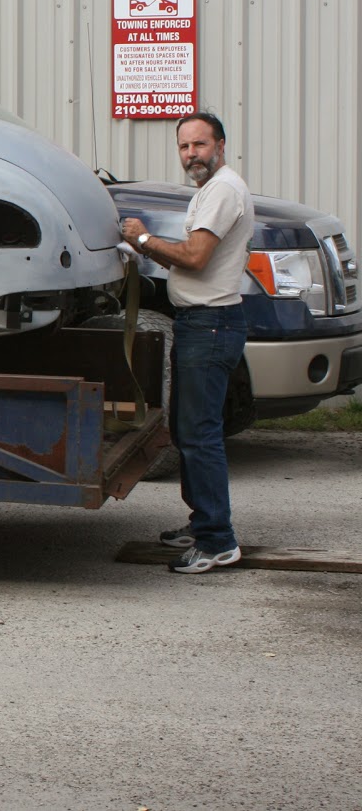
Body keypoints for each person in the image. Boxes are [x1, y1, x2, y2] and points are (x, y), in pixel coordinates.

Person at [121, 112, 253, 573]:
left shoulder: (223, 190)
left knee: (200, 436)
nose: (191, 154)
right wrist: (144, 246)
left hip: (211, 325)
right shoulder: (210, 190)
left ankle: (218, 540)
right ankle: (204, 524)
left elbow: (195, 257)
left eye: (199, 145)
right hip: (201, 324)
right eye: (184, 147)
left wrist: (143, 239)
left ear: (220, 144)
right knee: (188, 431)